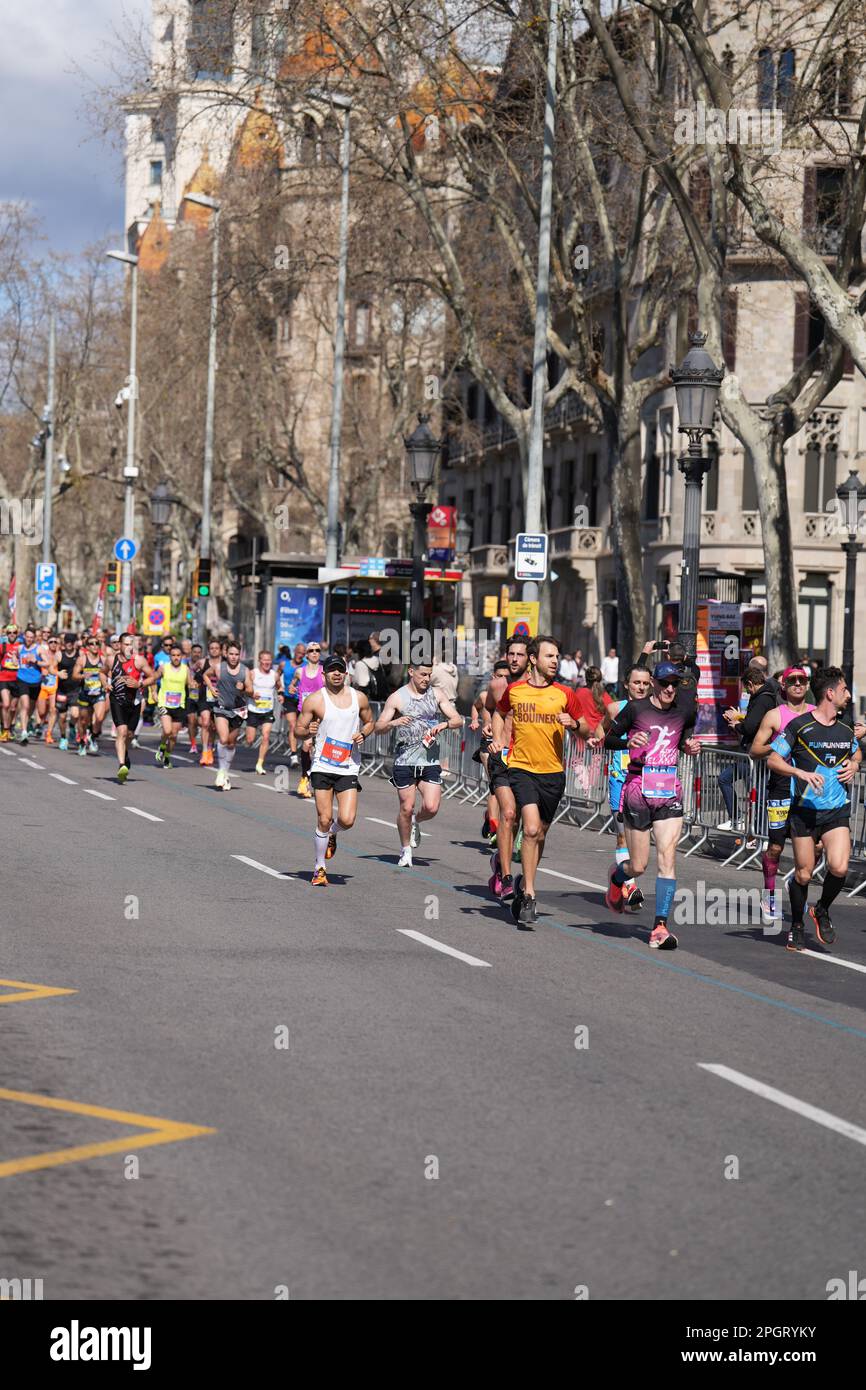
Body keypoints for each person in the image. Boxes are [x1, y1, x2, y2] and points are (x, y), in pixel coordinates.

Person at [492, 635, 594, 925]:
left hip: (553, 774)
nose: (555, 661)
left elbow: (586, 729)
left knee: (540, 835)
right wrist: (499, 740)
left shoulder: (564, 694)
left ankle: (527, 878)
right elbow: (500, 712)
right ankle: (529, 894)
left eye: (557, 656)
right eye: (550, 656)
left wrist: (573, 725)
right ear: (534, 659)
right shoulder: (515, 691)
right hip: (522, 769)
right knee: (531, 827)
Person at [603, 661, 701, 948]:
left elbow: (684, 741)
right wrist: (630, 741)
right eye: (665, 683)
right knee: (639, 865)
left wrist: (690, 747)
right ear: (654, 684)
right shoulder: (636, 709)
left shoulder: (685, 712)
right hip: (638, 791)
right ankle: (617, 877)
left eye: (675, 683)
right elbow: (608, 739)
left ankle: (660, 927)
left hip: (669, 792)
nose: (671, 688)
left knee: (668, 857)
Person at [767, 667, 861, 953]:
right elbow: (773, 759)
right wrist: (799, 773)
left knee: (840, 867)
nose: (848, 695)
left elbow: (855, 751)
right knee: (804, 874)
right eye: (844, 690)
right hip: (804, 811)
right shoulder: (800, 726)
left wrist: (855, 764)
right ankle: (796, 924)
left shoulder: (846, 729)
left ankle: (821, 909)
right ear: (830, 693)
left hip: (836, 810)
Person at [374, 660, 463, 868]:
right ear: (411, 672)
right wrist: (392, 723)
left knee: (431, 807)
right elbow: (378, 727)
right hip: (405, 762)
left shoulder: (437, 694)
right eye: (422, 674)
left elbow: (458, 719)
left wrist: (445, 724)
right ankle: (406, 850)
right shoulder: (397, 697)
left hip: (430, 761)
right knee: (406, 807)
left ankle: (416, 822)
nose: (426, 679)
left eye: (429, 675)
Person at [295, 655, 375, 886]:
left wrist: (364, 733)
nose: (336, 674)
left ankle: (333, 833)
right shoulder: (314, 700)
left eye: (340, 670)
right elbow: (298, 730)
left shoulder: (358, 698)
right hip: (322, 765)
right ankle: (320, 867)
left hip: (348, 765)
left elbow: (370, 721)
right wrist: (307, 731)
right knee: (324, 817)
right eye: (332, 670)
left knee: (347, 820)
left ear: (346, 674)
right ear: (324, 675)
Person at [748, 666, 815, 926]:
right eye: (792, 681)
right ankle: (769, 894)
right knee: (775, 846)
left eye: (802, 680)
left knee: (815, 846)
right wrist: (782, 746)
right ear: (783, 686)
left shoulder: (816, 714)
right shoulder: (775, 715)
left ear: (807, 685)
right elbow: (755, 749)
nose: (797, 684)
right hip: (780, 785)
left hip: (808, 789)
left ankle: (795, 880)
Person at [589, 664, 653, 911]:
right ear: (627, 685)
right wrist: (597, 739)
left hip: (646, 780)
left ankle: (620, 875)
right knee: (622, 835)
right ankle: (630, 886)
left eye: (645, 684)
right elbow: (602, 730)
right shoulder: (616, 708)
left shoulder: (656, 710)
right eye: (636, 683)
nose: (641, 687)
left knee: (640, 838)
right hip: (620, 778)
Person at [485, 637, 530, 900]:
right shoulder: (497, 685)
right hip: (502, 758)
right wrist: (492, 730)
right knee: (509, 813)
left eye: (520, 655)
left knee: (525, 824)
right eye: (510, 654)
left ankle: (500, 862)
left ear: (530, 658)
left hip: (528, 761)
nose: (514, 659)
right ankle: (506, 876)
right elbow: (491, 710)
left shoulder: (534, 688)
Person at [717, 662, 777, 830]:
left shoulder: (762, 699)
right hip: (754, 752)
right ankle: (756, 828)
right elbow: (755, 722)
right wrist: (740, 718)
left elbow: (750, 726)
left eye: (747, 688)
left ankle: (743, 822)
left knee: (726, 779)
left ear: (751, 683)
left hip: (754, 752)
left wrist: (736, 724)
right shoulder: (765, 697)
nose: (747, 692)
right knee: (758, 792)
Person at [202, 641, 254, 791]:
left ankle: (225, 772)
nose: (233, 657)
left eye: (236, 654)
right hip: (221, 708)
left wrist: (244, 687)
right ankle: (221, 771)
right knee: (223, 739)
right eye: (231, 654)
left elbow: (251, 690)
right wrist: (211, 688)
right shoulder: (219, 668)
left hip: (238, 710)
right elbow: (205, 675)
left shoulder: (245, 671)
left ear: (240, 655)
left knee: (231, 743)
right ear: (226, 654)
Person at [108, 633, 156, 781]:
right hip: (117, 699)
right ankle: (122, 764)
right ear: (120, 645)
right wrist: (105, 684)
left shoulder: (139, 660)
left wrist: (140, 684)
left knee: (129, 734)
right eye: (127, 644)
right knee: (121, 731)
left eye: (131, 645)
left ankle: (125, 753)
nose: (130, 648)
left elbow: (152, 676)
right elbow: (103, 673)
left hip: (134, 701)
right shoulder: (111, 660)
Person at [287, 641, 324, 796]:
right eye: (311, 650)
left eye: (317, 650)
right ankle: (304, 778)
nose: (315, 653)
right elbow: (292, 685)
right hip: (305, 714)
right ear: (307, 654)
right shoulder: (299, 672)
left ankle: (317, 779)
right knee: (307, 745)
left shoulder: (324, 672)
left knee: (320, 749)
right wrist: (292, 688)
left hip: (321, 714)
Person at [245, 649, 283, 775]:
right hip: (253, 710)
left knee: (266, 736)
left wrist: (281, 695)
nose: (267, 662)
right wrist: (251, 694)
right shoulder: (252, 673)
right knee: (250, 739)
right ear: (259, 660)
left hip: (267, 710)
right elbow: (245, 689)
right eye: (264, 660)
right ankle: (251, 742)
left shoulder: (274, 675)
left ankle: (259, 764)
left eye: (269, 660)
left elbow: (279, 687)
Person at [154, 644, 192, 769]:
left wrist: (195, 685)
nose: (176, 658)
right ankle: (162, 746)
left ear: (182, 657)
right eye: (173, 655)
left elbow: (190, 683)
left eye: (178, 655)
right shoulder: (163, 668)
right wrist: (153, 692)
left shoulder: (186, 669)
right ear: (169, 656)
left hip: (179, 705)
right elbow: (153, 679)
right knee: (167, 730)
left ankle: (167, 757)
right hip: (164, 703)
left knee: (174, 736)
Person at [73, 635, 109, 755]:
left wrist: (106, 682)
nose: (94, 646)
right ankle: (82, 742)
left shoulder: (103, 660)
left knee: (99, 718)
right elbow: (74, 675)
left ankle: (93, 737)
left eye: (96, 643)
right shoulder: (82, 659)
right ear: (87, 647)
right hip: (85, 693)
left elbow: (110, 674)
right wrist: (83, 676)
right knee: (83, 721)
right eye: (91, 644)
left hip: (99, 693)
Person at [14, 626, 42, 744]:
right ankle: (24, 731)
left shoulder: (39, 649)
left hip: (35, 681)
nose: (29, 639)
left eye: (31, 637)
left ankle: (27, 721)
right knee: (24, 705)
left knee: (30, 707)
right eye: (27, 637)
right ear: (24, 636)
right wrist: (15, 660)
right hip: (22, 679)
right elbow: (15, 655)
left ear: (34, 638)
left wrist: (35, 661)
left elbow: (46, 663)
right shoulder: (20, 648)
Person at [55, 632, 81, 750]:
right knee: (62, 717)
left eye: (71, 642)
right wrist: (58, 673)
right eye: (67, 642)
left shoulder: (80, 655)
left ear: (74, 643)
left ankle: (71, 727)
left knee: (75, 714)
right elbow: (51, 667)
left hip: (75, 690)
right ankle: (63, 737)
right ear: (64, 643)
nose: (69, 644)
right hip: (62, 690)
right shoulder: (59, 655)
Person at [352, 632, 389, 703]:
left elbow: (361, 684)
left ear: (359, 651)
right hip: (381, 698)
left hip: (367, 699)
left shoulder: (360, 664)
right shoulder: (378, 659)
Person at [0, 623, 20, 741]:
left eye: (14, 633)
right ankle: (5, 729)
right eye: (9, 633)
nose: (12, 635)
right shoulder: (3, 646)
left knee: (13, 708)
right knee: (6, 704)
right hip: (4, 677)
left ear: (17, 634)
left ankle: (10, 726)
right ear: (6, 634)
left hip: (17, 678)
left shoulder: (21, 646)